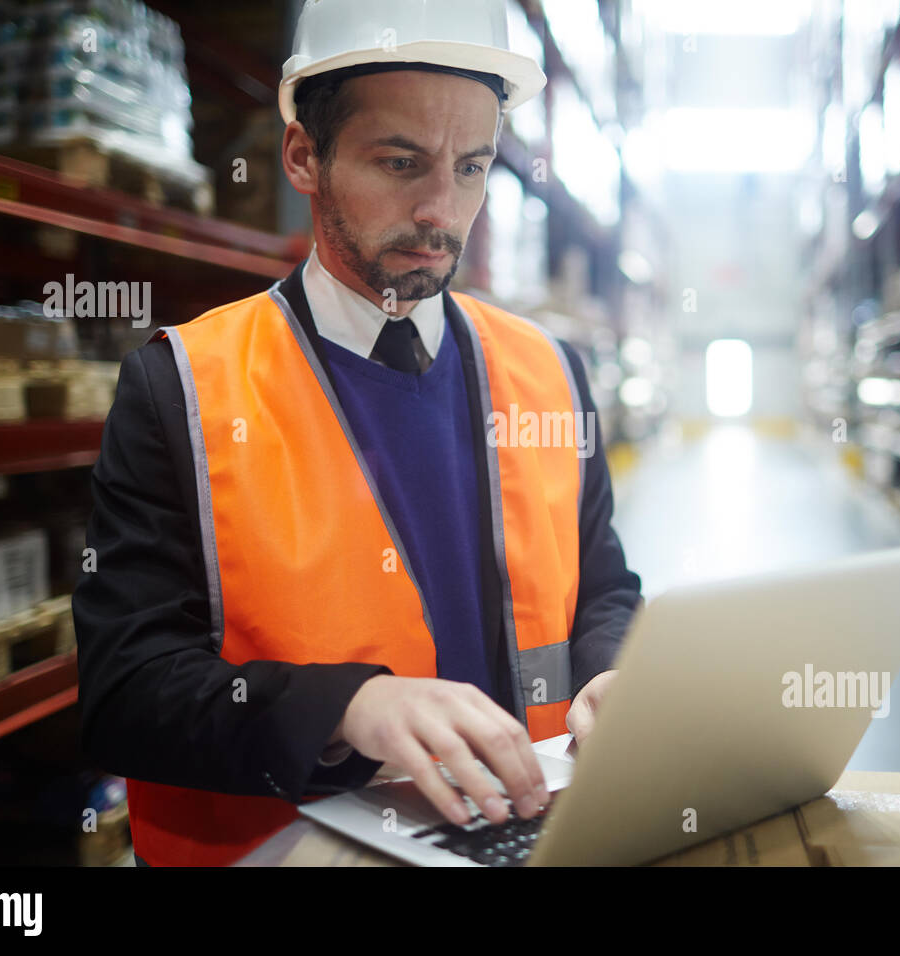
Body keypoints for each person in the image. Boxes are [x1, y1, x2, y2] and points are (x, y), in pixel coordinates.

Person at [72, 0, 642, 866]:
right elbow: (126, 689)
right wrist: (347, 709)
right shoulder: (183, 387)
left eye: (472, 167)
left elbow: (601, 586)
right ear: (304, 155)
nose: (440, 210)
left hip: (528, 837)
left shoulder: (548, 373)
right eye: (401, 162)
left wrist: (612, 672)